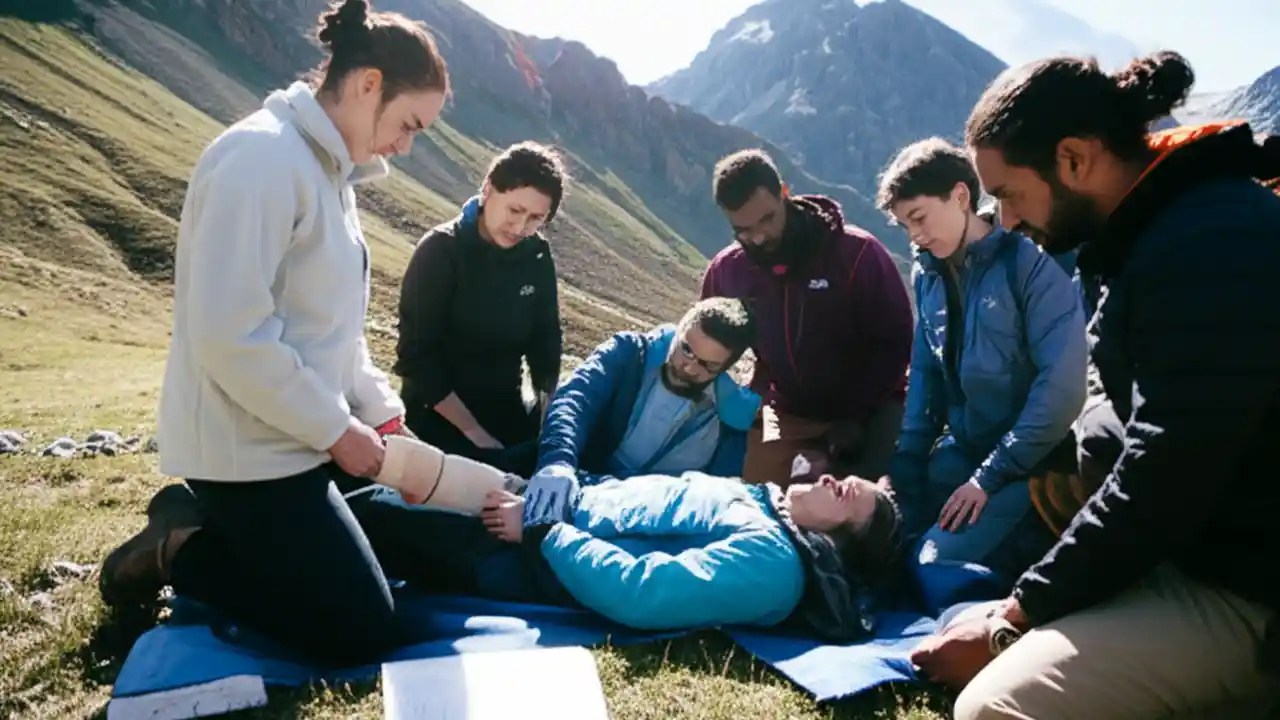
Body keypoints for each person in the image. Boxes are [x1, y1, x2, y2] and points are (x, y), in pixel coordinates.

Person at [910, 50, 1280, 719]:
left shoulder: (1213, 244)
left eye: (1011, 195)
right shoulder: (1143, 230)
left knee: (992, 708)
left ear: (1075, 159)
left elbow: (1168, 469)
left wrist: (1013, 622)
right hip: (1186, 543)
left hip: (1244, 583)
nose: (1010, 220)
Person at [97, 0, 450, 667]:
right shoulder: (259, 157)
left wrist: (385, 418)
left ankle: (234, 532)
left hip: (299, 436)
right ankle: (180, 546)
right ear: (369, 83)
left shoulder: (329, 175)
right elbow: (230, 335)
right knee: (360, 631)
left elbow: (336, 332)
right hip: (246, 450)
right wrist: (337, 430)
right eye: (409, 125)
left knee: (417, 551)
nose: (405, 146)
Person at [348, 438, 905, 641]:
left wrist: (542, 531)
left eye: (845, 496)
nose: (834, 480)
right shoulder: (766, 504)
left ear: (838, 542)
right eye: (844, 479)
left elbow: (644, 592)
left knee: (371, 514)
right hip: (546, 506)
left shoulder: (775, 566)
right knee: (381, 472)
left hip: (527, 549)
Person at [875, 138, 1086, 585]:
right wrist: (907, 464)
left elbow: (1062, 390)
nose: (914, 236)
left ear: (960, 196)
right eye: (904, 226)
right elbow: (927, 372)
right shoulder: (928, 273)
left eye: (918, 218)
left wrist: (990, 478)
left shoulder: (1029, 267)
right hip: (965, 454)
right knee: (894, 531)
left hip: (1030, 467)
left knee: (933, 568)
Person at [701, 149, 914, 485]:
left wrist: (854, 417)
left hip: (872, 405)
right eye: (742, 229)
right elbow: (710, 338)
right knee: (763, 502)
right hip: (782, 411)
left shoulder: (857, 254)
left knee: (864, 507)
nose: (757, 236)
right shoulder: (729, 271)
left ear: (784, 193)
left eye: (767, 219)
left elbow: (897, 340)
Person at [394, 141, 566, 477]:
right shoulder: (441, 251)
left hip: (507, 413)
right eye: (514, 210)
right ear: (488, 190)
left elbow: (545, 338)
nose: (520, 228)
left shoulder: (536, 255)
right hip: (438, 420)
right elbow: (417, 358)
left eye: (536, 218)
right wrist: (475, 435)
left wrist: (548, 414)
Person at [519, 297, 761, 527]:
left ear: (726, 368)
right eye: (686, 349)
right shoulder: (629, 354)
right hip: (577, 485)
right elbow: (574, 400)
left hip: (648, 526)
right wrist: (558, 462)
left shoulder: (731, 419)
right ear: (679, 328)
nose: (689, 367)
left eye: (707, 365)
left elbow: (717, 495)